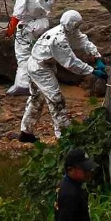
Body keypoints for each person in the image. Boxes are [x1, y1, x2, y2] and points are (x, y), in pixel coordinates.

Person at [19, 10, 103, 144]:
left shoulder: (68, 31)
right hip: (40, 68)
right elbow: (70, 62)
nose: (77, 29)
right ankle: (64, 136)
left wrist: (96, 55)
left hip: (40, 64)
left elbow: (82, 40)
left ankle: (26, 132)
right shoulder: (58, 40)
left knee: (36, 99)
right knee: (56, 100)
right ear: (71, 25)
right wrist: (92, 70)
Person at [7, 0, 55, 97]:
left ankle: (23, 85)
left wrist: (11, 26)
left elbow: (20, 6)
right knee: (40, 55)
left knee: (23, 55)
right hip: (43, 22)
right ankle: (41, 83)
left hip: (28, 24)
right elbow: (51, 0)